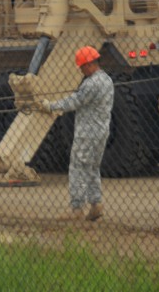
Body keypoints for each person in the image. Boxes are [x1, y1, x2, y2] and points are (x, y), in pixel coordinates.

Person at [41, 46, 114, 222]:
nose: (81, 70)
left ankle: (76, 209)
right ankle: (96, 205)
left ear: (89, 64)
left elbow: (75, 101)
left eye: (82, 67)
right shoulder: (107, 80)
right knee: (92, 167)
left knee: (77, 167)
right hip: (102, 131)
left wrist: (51, 106)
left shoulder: (90, 84)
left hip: (87, 133)